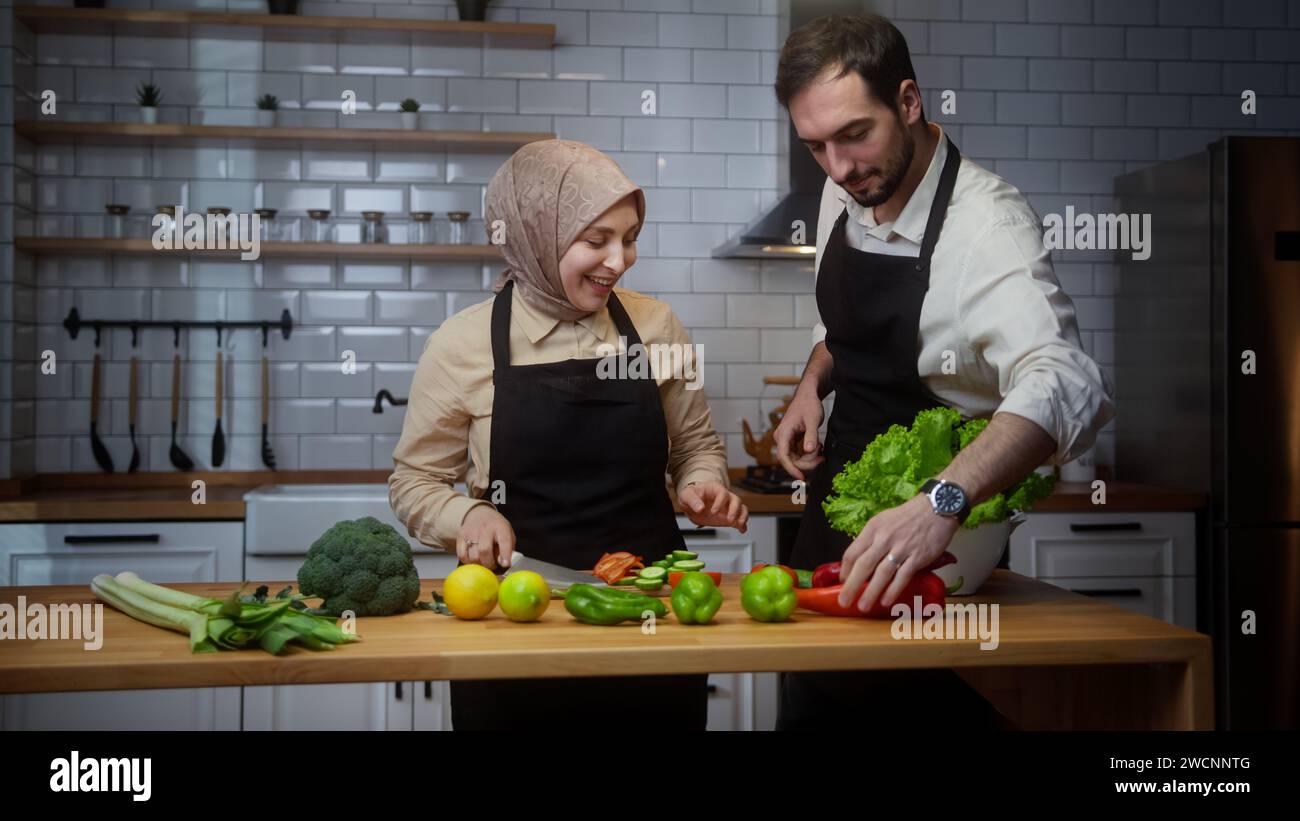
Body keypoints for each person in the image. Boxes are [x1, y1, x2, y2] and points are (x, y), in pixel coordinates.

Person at [771, 14, 1116, 730]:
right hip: (830, 538)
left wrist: (942, 500)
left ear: (908, 101)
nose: (836, 168)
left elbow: (1066, 378)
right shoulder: (851, 183)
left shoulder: (986, 227)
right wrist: (812, 384)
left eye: (853, 135)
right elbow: (843, 328)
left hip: (935, 560)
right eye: (815, 147)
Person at [389, 139, 748, 730]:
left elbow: (694, 447)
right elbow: (415, 482)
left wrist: (702, 483)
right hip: (515, 619)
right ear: (537, 234)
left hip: (649, 614)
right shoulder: (461, 344)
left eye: (629, 237)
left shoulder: (658, 327)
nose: (620, 259)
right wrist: (467, 517)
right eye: (595, 240)